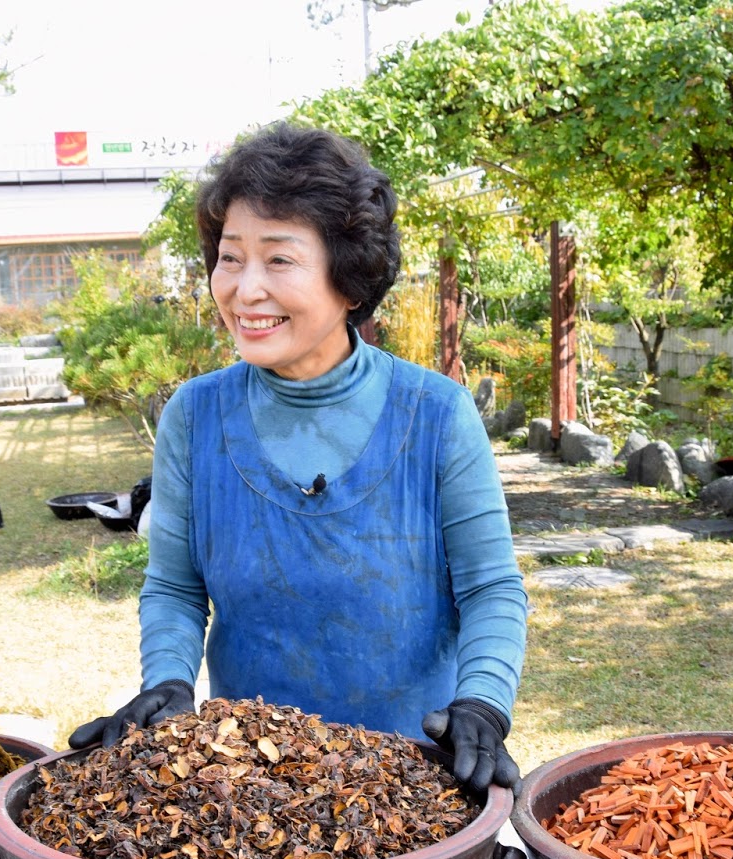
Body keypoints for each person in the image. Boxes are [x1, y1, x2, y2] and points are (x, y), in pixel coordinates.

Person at [69, 124, 528, 791]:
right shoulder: (196, 418)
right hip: (252, 794)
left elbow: (491, 588)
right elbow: (175, 585)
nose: (244, 289)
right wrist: (169, 681)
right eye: (230, 258)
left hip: (415, 785)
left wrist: (482, 702)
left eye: (278, 260)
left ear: (349, 278)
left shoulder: (434, 415)